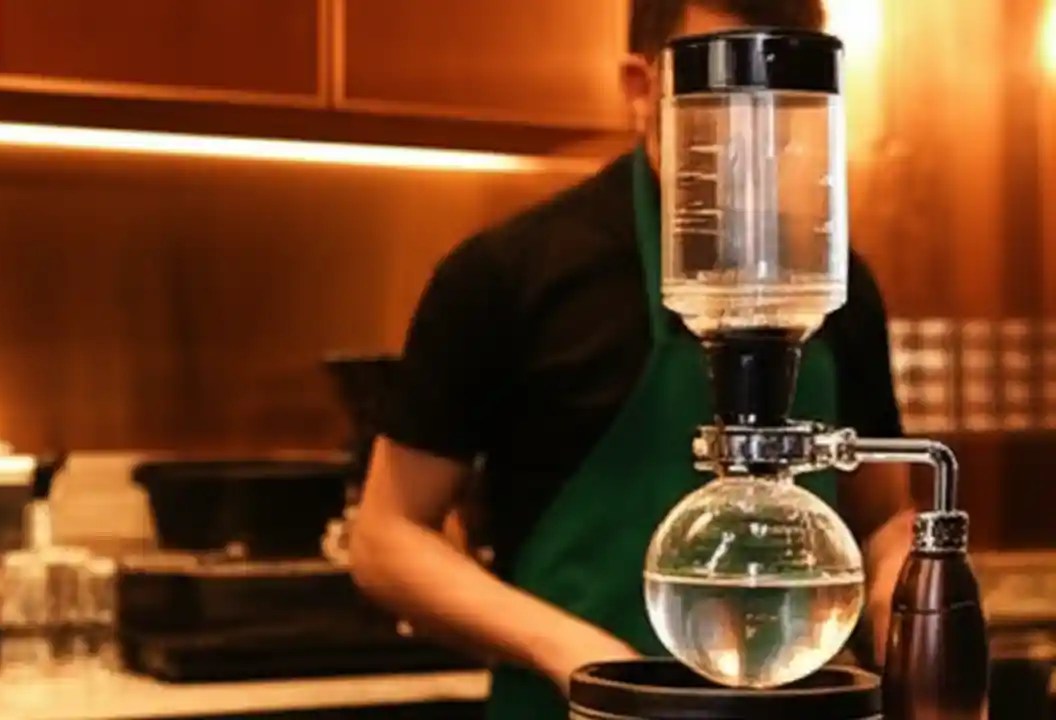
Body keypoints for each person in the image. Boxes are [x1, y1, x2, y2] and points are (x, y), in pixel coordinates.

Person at [348, 1, 916, 718]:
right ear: (641, 86)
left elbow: (882, 518)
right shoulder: (506, 274)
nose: (753, 129)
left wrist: (914, 611)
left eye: (780, 103)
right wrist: (577, 656)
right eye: (721, 93)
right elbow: (386, 538)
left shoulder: (834, 287)